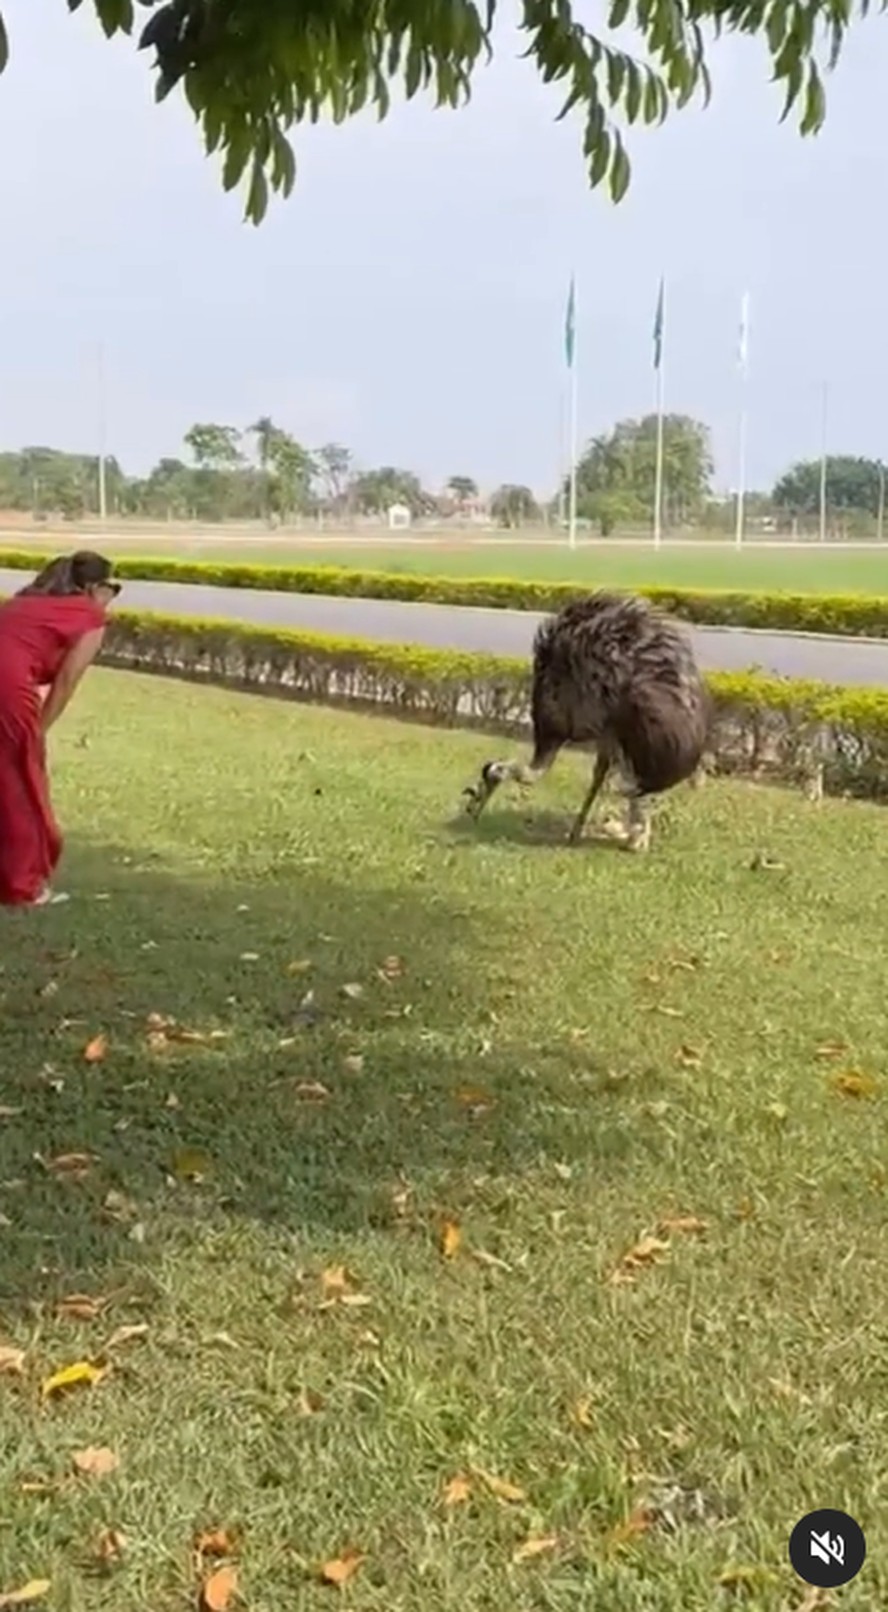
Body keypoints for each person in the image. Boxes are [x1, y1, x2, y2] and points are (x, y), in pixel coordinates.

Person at [0, 550, 121, 907]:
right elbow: (66, 681)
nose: (111, 596)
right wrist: (38, 732)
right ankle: (24, 885)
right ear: (93, 587)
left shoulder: (23, 604)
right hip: (6, 688)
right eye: (111, 587)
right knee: (21, 782)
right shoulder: (89, 615)